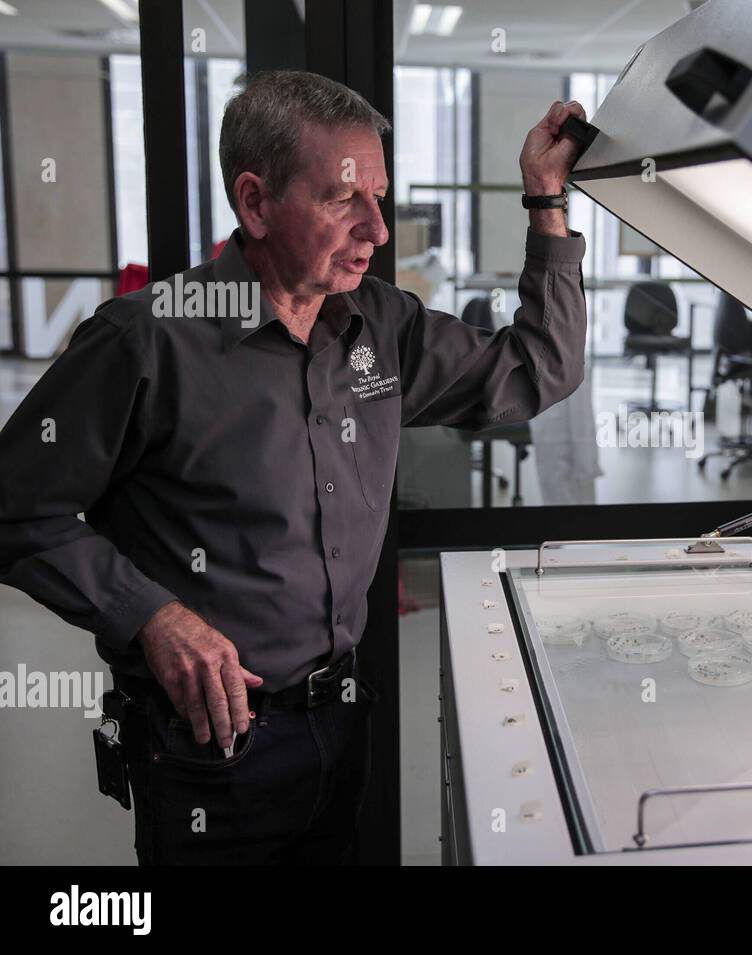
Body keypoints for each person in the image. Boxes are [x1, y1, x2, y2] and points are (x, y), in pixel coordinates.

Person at [0, 70, 589, 864]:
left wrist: (543, 198)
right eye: (345, 199)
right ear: (255, 203)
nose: (377, 230)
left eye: (380, 196)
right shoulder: (147, 343)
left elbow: (541, 366)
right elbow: (15, 505)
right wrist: (150, 613)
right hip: (212, 748)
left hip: (345, 717)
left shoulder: (384, 325)